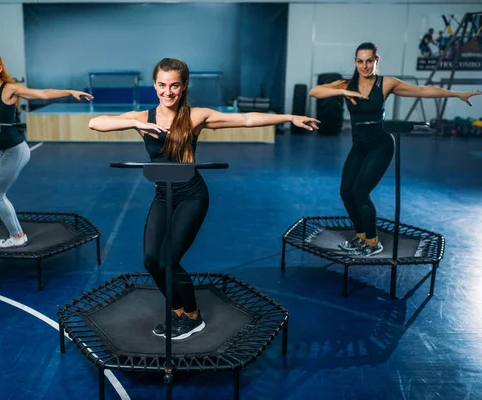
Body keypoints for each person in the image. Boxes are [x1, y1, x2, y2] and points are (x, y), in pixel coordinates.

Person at [89, 57, 320, 340]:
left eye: (174, 85)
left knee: (170, 260)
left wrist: (289, 117)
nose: (167, 92)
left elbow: (246, 119)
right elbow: (94, 122)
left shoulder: (196, 116)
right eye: (162, 85)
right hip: (163, 196)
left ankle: (194, 316)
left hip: (191, 195)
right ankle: (178, 311)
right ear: (154, 84)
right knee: (151, 260)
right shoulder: (142, 118)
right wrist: (135, 126)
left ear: (184, 85)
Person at [309, 42, 480, 256]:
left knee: (360, 191)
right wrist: (343, 91)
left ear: (376, 60)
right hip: (359, 146)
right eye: (360, 61)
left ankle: (373, 243)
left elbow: (423, 90)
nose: (364, 66)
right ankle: (361, 236)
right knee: (346, 191)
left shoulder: (386, 83)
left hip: (380, 145)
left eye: (369, 60)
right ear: (355, 62)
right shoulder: (346, 83)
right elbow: (314, 92)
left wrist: (457, 94)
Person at [0, 50, 93, 249]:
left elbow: (42, 93)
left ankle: (17, 236)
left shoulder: (10, 89)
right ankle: (16, 233)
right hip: (6, 150)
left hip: (16, 149)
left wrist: (70, 92)